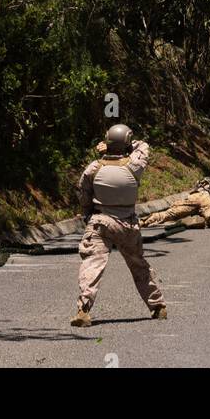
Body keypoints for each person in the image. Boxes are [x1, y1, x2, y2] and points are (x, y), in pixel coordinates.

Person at [71, 123, 167, 326]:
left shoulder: (94, 167)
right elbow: (144, 145)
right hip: (127, 224)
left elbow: (83, 192)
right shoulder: (135, 165)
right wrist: (128, 145)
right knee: (139, 265)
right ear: (127, 142)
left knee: (92, 265)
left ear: (106, 142)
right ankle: (158, 307)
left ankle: (83, 310)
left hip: (100, 222)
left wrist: (88, 214)